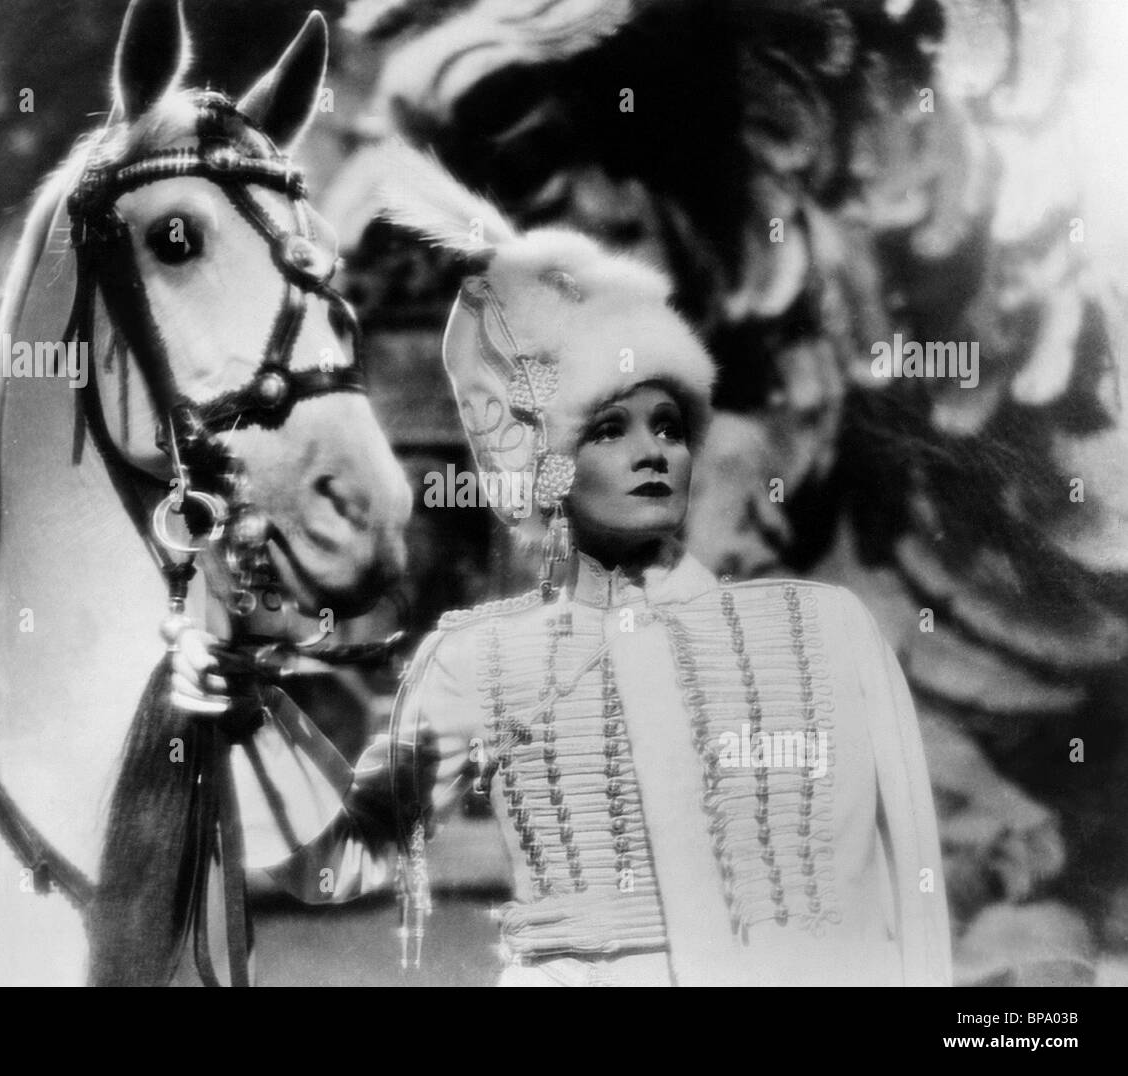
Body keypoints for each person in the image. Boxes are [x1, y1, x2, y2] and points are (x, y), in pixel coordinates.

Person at [165, 150, 952, 986]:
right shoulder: (480, 662)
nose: (653, 451)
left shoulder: (818, 635)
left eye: (669, 423)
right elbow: (342, 864)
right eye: (609, 429)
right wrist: (244, 716)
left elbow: (909, 901)